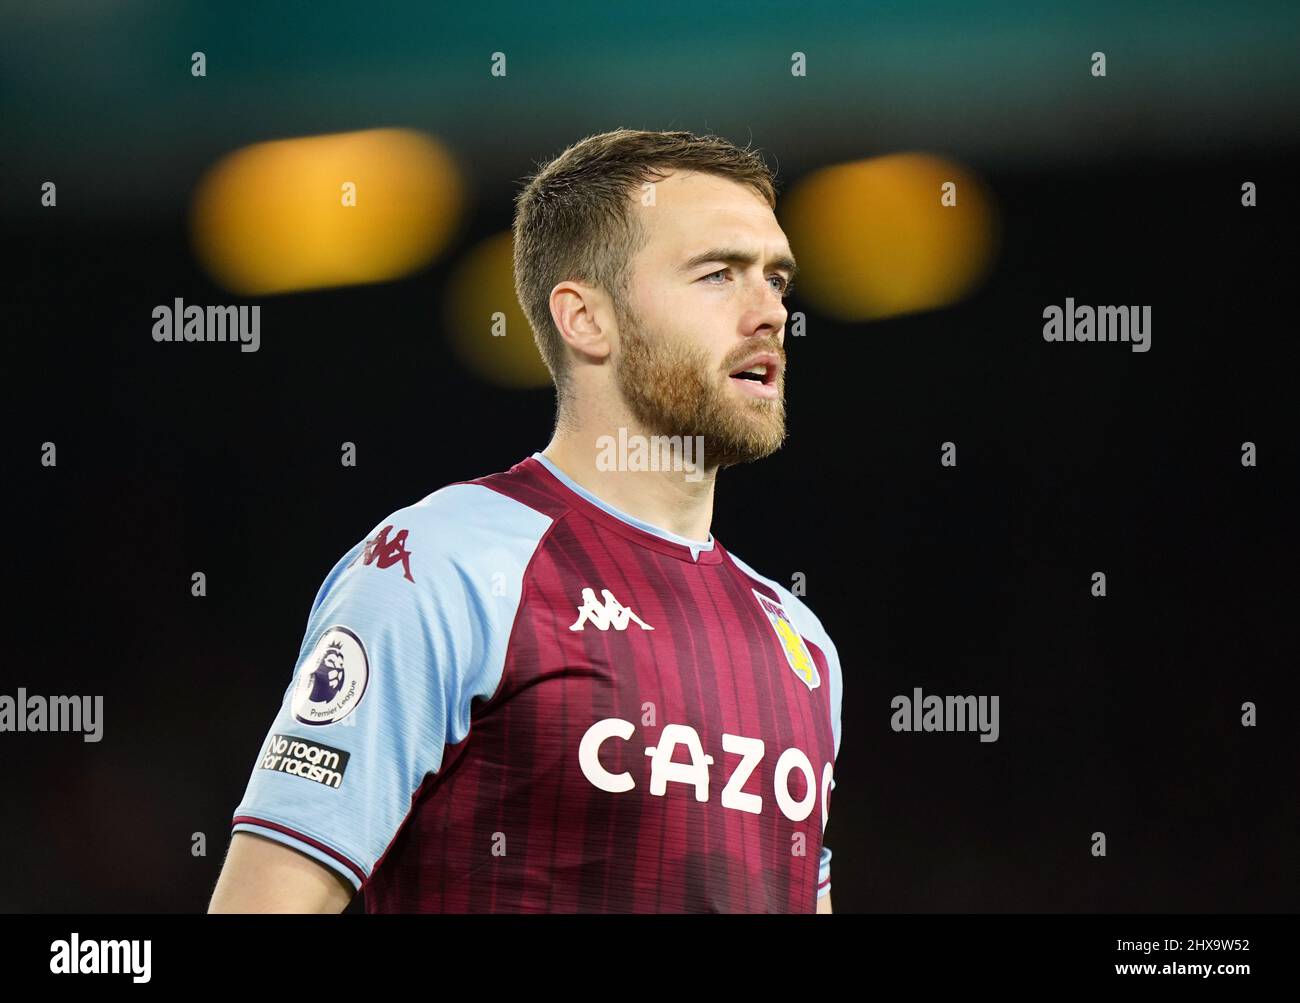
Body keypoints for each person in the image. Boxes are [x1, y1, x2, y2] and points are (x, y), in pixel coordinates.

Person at [209, 128, 843, 913]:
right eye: (718, 274)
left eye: (776, 279)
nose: (771, 313)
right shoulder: (442, 565)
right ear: (585, 319)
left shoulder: (801, 643)